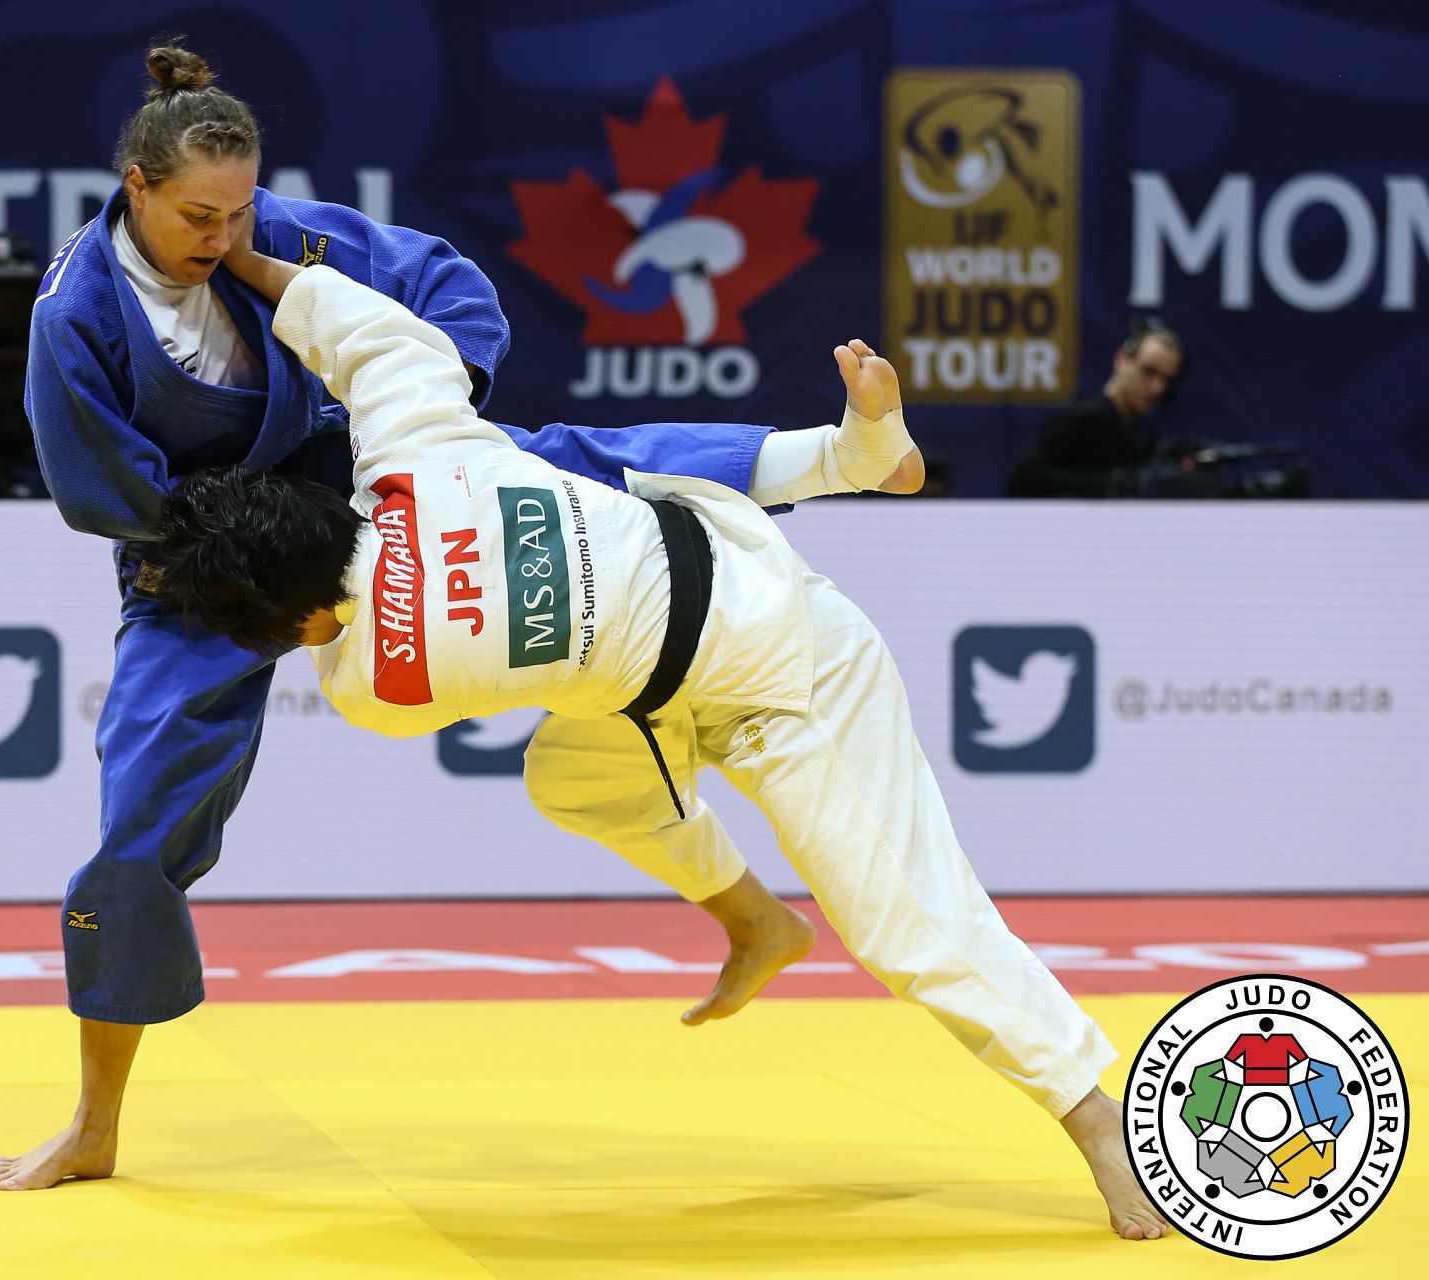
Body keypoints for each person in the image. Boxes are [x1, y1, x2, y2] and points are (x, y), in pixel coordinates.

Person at [151, 247, 1170, 1242]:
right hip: (696, 625)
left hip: (789, 673)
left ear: (301, 626)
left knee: (903, 920)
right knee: (572, 757)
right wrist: (243, 256)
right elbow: (365, 331)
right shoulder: (417, 455)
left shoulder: (372, 681)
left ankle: (1092, 1112)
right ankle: (757, 917)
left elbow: (352, 615)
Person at [0, 40, 825, 1194]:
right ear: (133, 188)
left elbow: (451, 292)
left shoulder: (281, 232)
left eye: (237, 209)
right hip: (211, 565)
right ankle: (94, 1123)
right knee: (135, 827)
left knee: (573, 466)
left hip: (367, 497)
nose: (223, 236)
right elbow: (101, 488)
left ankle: (833, 460)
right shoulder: (75, 312)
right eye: (196, 214)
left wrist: (434, 414)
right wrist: (252, 542)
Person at [1005, 317, 1183, 497]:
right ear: (1122, 359)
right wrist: (1111, 486)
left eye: (1166, 380)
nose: (1157, 388)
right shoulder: (1085, 417)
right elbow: (1023, 479)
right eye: (1148, 371)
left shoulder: (1144, 432)